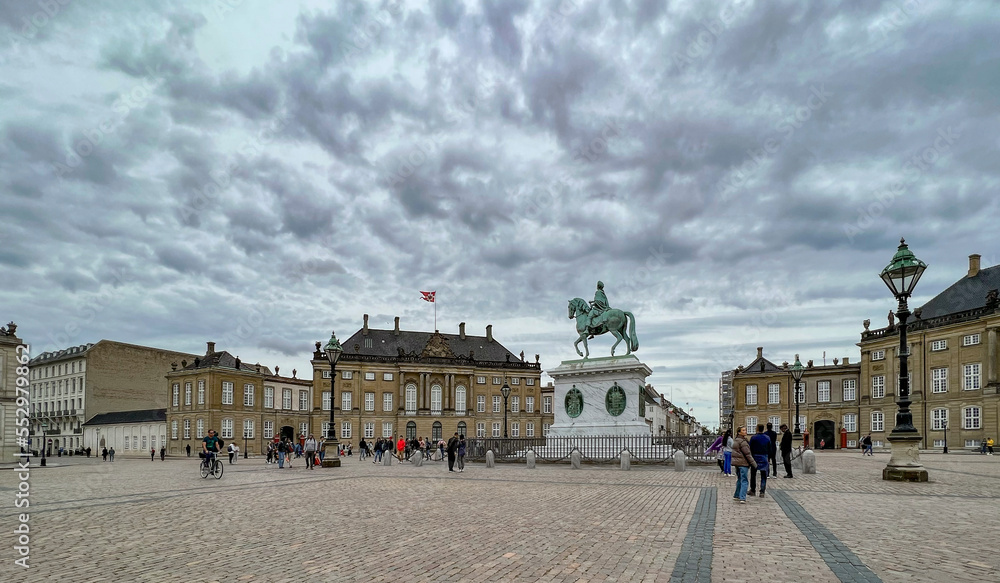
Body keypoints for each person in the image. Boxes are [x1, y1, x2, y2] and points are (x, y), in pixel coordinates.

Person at [731, 426, 756, 504]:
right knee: (744, 480)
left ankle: (737, 495)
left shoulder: (735, 441)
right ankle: (742, 497)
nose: (745, 431)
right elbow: (747, 454)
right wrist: (753, 463)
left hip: (737, 463)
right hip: (743, 463)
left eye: (745, 430)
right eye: (743, 430)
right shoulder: (743, 442)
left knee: (739, 479)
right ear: (739, 432)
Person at [748, 424, 771, 498]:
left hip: (755, 456)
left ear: (757, 428)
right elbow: (769, 448)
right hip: (764, 456)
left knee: (753, 474)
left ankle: (753, 490)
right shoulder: (767, 438)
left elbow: (750, 448)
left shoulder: (753, 438)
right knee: (763, 475)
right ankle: (762, 491)